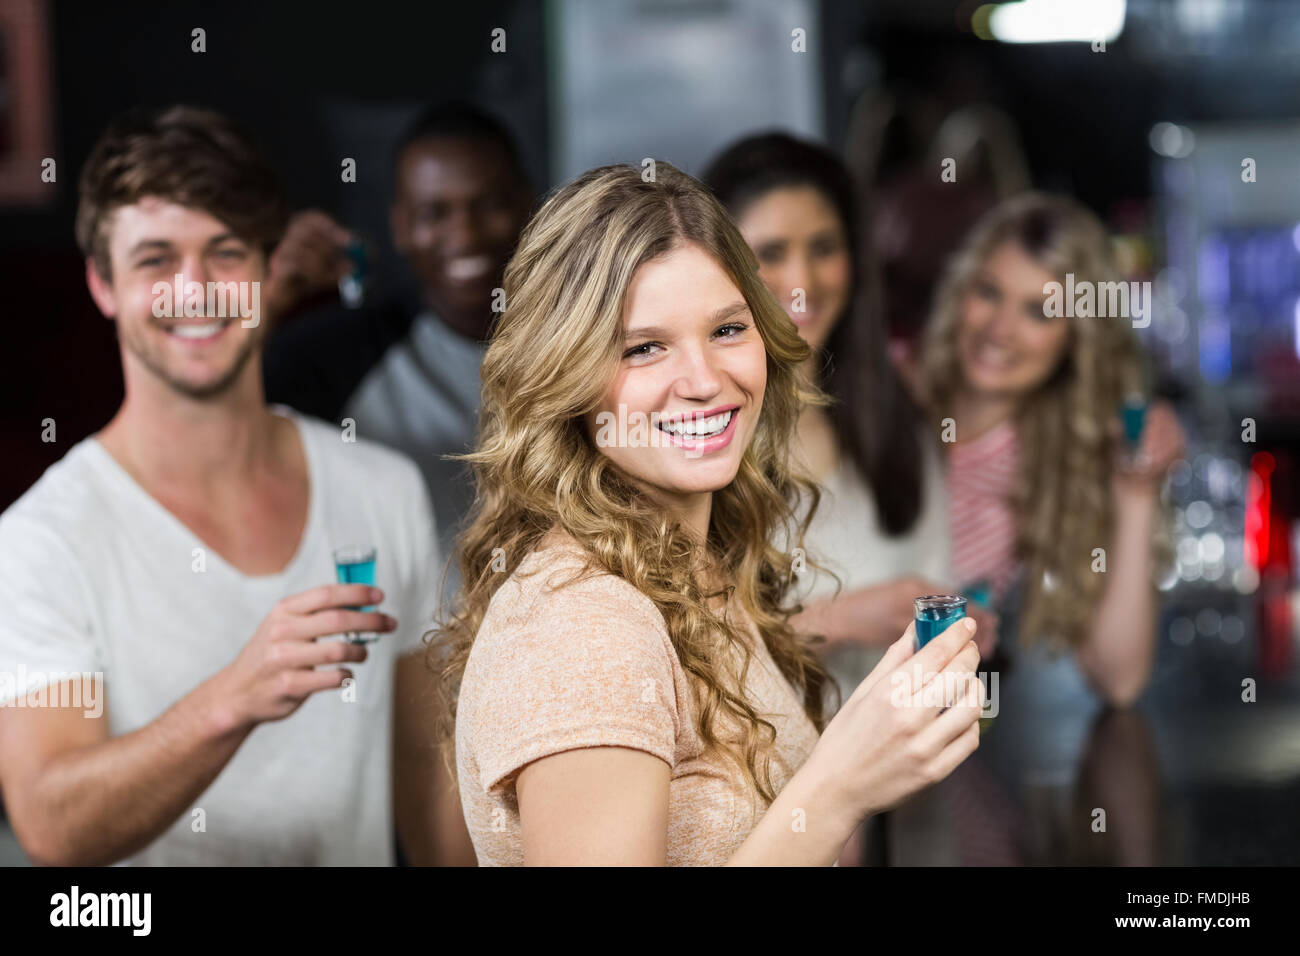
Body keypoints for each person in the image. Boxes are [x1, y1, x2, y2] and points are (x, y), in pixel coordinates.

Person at [434, 162, 986, 866]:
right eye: (644, 347)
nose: (703, 381)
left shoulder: (694, 571)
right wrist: (839, 787)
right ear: (562, 377)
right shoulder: (584, 626)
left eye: (728, 329)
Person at [0, 105, 469, 865]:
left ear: (263, 268)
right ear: (103, 283)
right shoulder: (41, 540)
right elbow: (52, 825)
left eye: (225, 253)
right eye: (156, 260)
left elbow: (426, 778)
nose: (198, 289)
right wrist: (234, 697)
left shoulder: (382, 487)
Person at [702, 133, 1000, 865]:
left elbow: (938, 610)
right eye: (770, 253)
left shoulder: (893, 412)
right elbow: (680, 665)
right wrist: (843, 618)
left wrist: (961, 636)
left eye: (824, 247)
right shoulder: (696, 430)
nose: (802, 281)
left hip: (898, 819)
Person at [917, 192, 1184, 707]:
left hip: (926, 734)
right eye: (988, 292)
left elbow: (1119, 678)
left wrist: (1135, 492)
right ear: (960, 291)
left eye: (1040, 311)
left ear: (1076, 338)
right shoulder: (880, 387)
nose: (1000, 329)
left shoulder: (1054, 463)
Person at [261, 102, 535, 603]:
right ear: (400, 226)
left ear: (529, 205)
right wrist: (271, 299)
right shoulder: (338, 356)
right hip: (410, 664)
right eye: (435, 213)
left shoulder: (587, 343)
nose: (466, 234)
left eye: (490, 204)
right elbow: (219, 440)